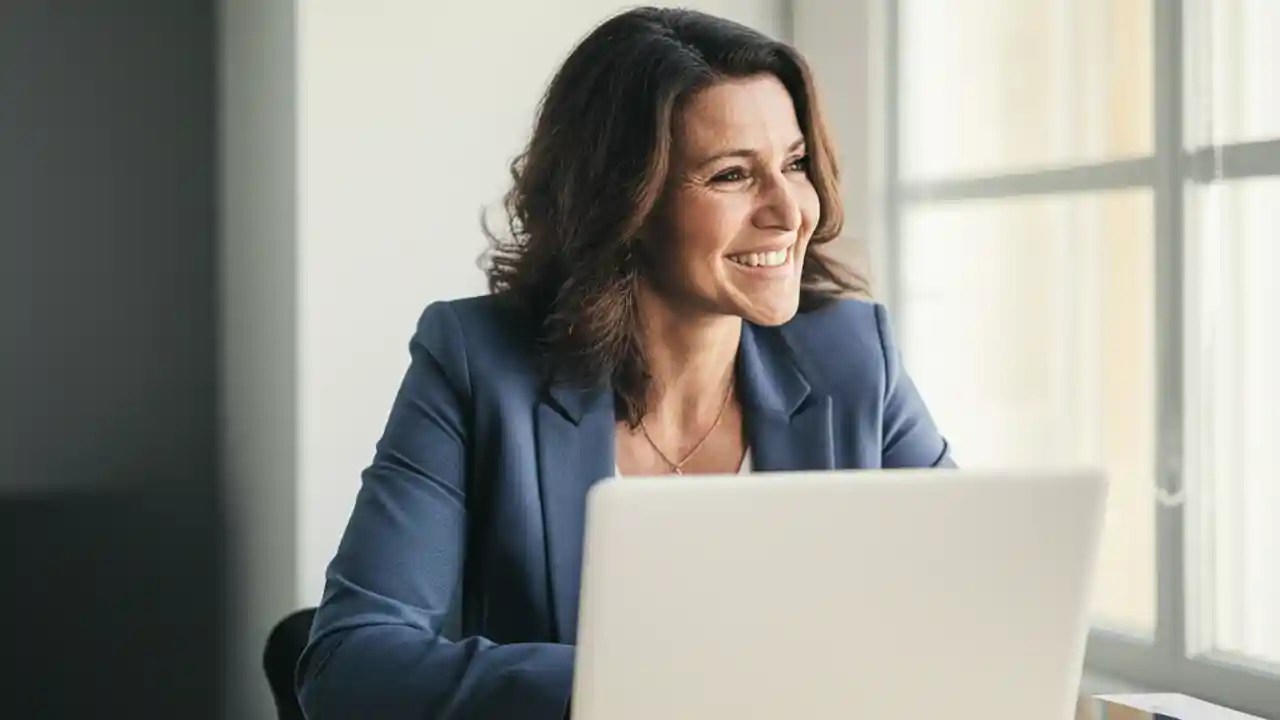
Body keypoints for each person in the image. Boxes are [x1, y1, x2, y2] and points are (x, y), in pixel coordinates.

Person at [296, 7, 953, 719]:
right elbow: (349, 663)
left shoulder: (855, 359)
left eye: (794, 164)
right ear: (625, 204)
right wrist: (653, 687)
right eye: (732, 175)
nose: (789, 210)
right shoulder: (477, 364)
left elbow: (962, 605)